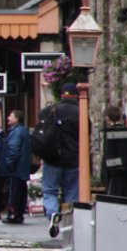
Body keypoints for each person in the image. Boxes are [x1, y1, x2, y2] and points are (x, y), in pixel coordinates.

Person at [39, 84, 81, 237]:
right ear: (76, 96)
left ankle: (52, 214)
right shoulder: (80, 112)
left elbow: (40, 128)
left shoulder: (51, 110)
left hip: (52, 158)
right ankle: (70, 222)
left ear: (61, 95)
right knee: (72, 192)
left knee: (50, 191)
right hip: (72, 159)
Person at [102, 103, 127, 199]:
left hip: (115, 173)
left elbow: (107, 155)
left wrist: (104, 175)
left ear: (107, 118)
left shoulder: (110, 134)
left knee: (113, 201)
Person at [0, 109, 31, 223]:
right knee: (20, 191)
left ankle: (14, 214)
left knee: (14, 192)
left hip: (15, 169)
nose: (8, 118)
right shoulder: (23, 130)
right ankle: (18, 213)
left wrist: (9, 164)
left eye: (10, 116)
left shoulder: (16, 132)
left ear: (16, 119)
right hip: (21, 168)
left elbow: (13, 149)